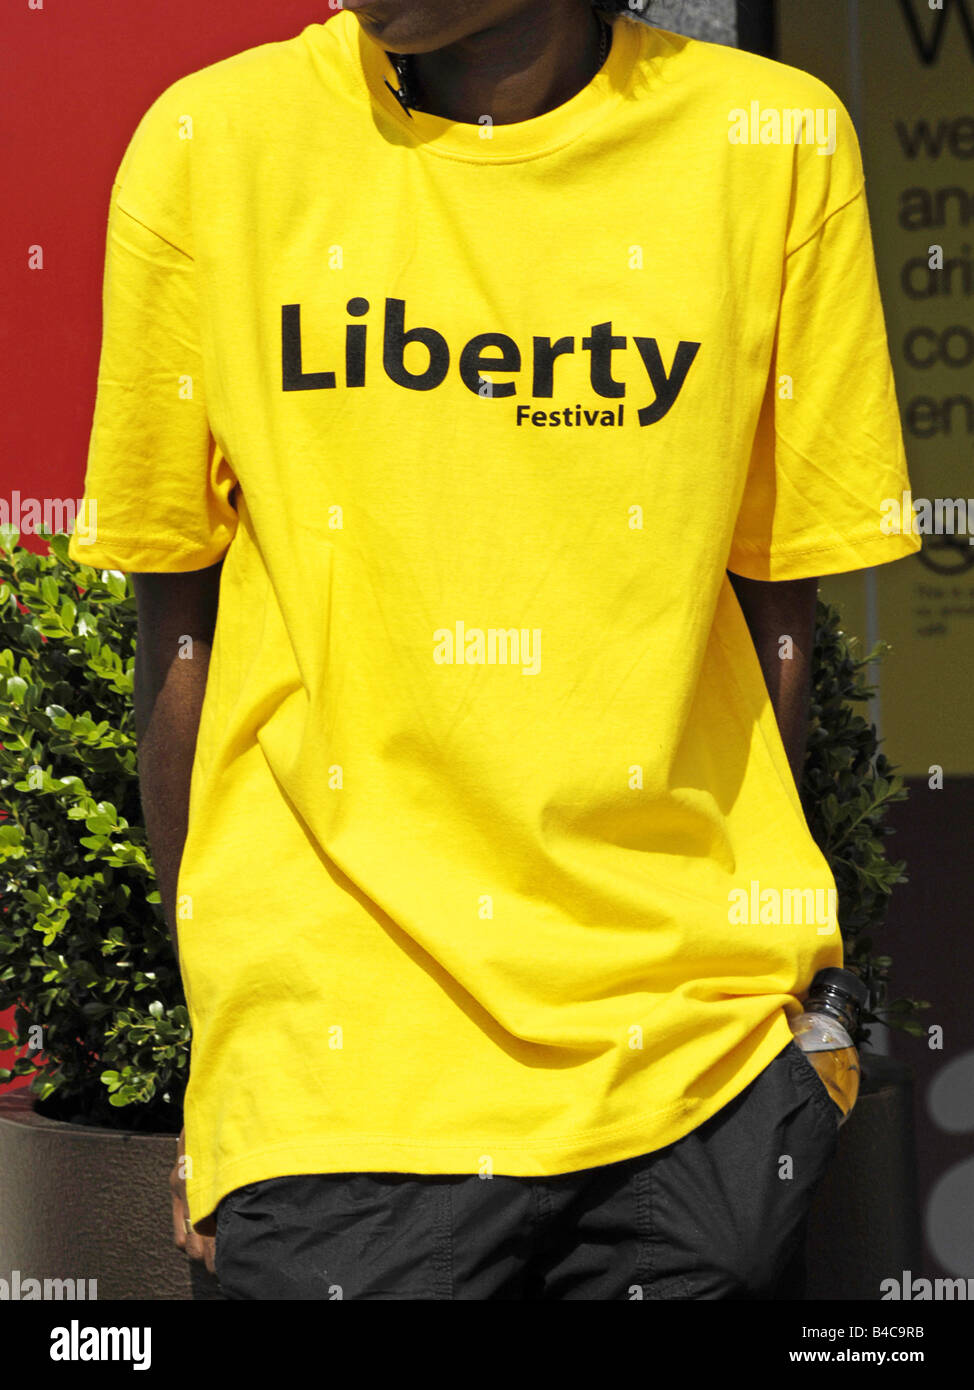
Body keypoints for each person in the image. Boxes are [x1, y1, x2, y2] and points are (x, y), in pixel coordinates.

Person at [70, 0, 920, 1299]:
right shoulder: (212, 148)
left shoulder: (771, 148)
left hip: (693, 1095)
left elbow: (776, 633)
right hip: (344, 1094)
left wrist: (787, 1052)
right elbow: (173, 641)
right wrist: (238, 1077)